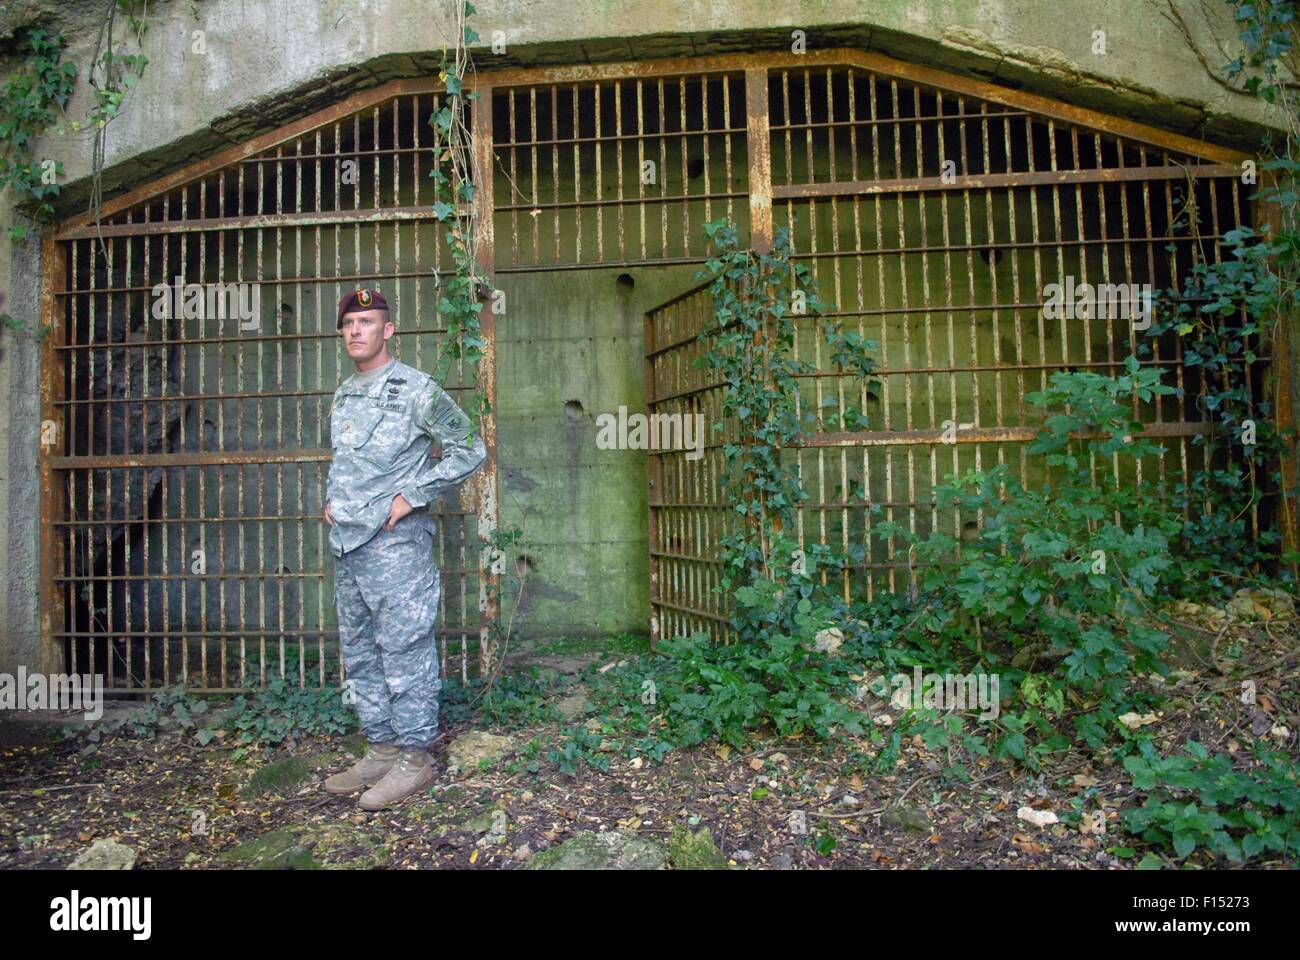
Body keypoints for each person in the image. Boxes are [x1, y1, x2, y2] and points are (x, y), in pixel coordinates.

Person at [322, 287, 486, 810]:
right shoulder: (345, 392)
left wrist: (412, 496)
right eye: (349, 323)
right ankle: (381, 746)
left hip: (396, 546)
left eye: (367, 322)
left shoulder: (418, 390)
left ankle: (415, 758)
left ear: (388, 330)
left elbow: (470, 448)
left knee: (404, 650)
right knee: (361, 651)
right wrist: (332, 500)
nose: (356, 331)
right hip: (347, 544)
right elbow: (346, 458)